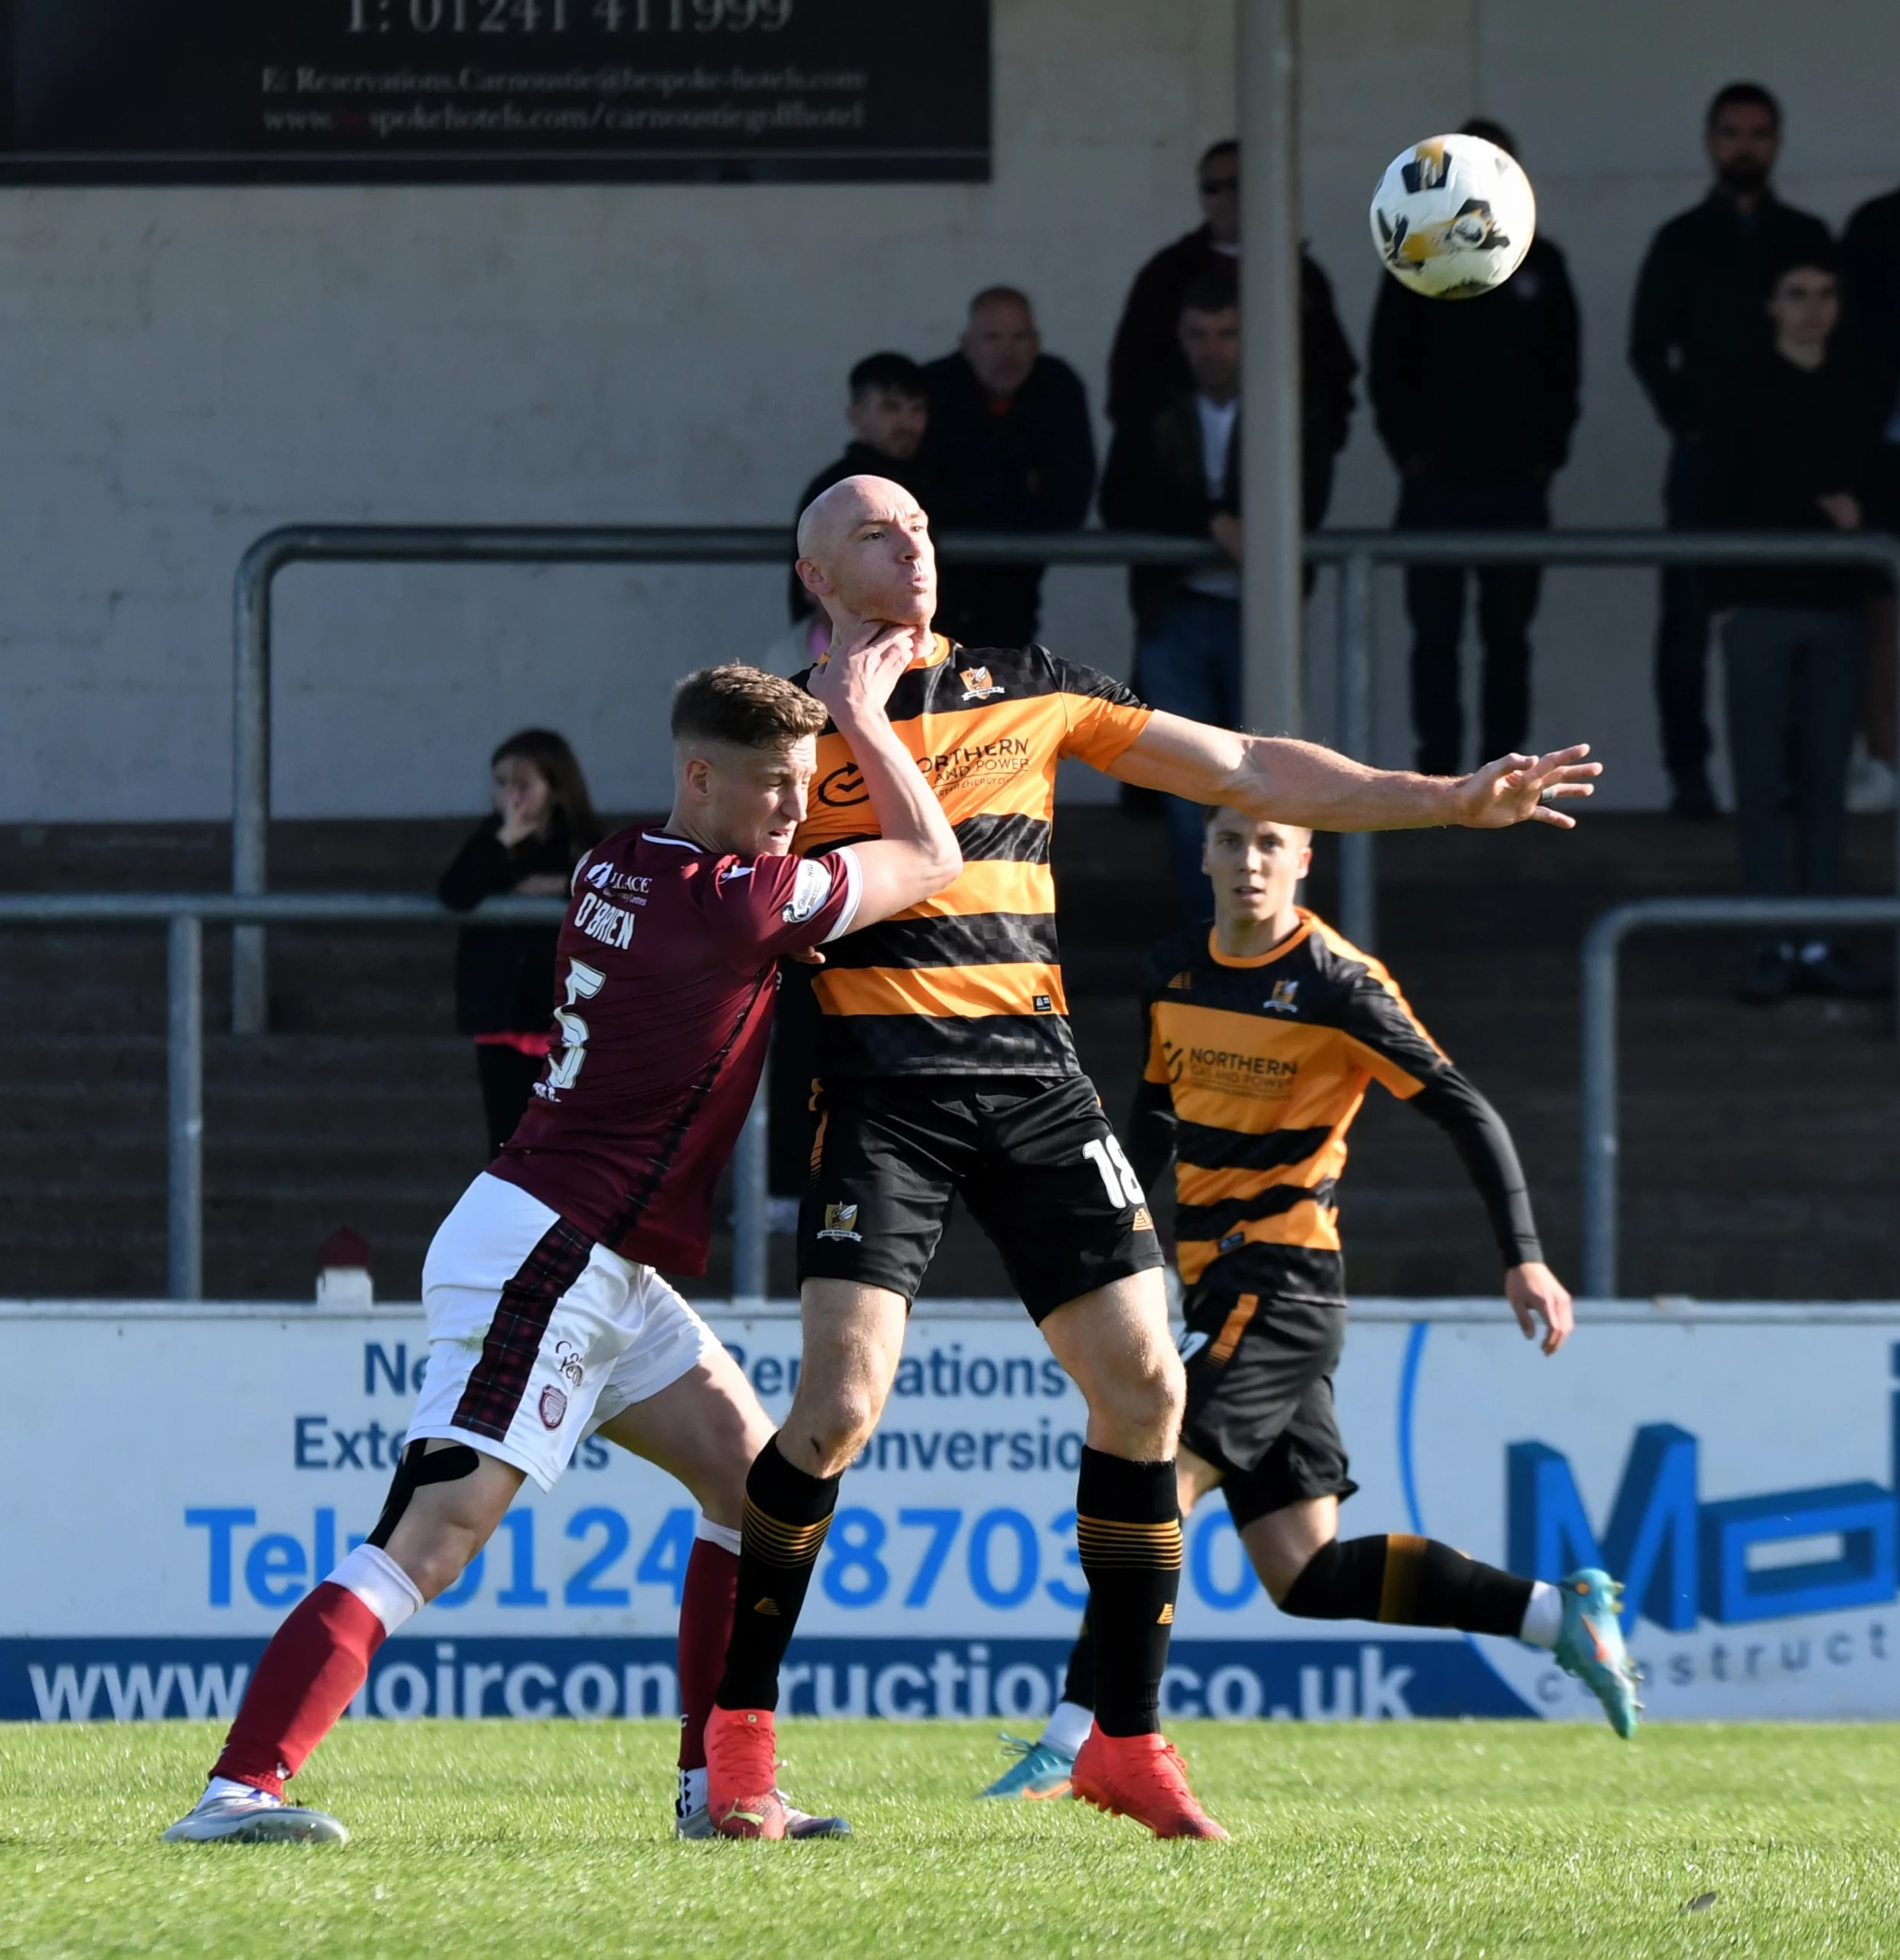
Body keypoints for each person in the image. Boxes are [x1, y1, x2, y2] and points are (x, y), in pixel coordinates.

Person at [698, 472, 1601, 1843]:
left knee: (1145, 1392)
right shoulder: (783, 729)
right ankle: (741, 1749)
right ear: (816, 575)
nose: (915, 543)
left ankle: (1123, 1738)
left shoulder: (1028, 683)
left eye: (925, 524)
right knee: (835, 1410)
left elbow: (1243, 765)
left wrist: (1444, 798)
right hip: (884, 1094)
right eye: (878, 532)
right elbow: (717, 895)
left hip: (1038, 1085)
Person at [161, 653, 962, 1847]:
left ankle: (718, 1789)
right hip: (553, 1246)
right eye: (779, 787)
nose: (798, 814)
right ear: (700, 775)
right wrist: (862, 705)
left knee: (755, 1489)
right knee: (436, 1532)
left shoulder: (616, 863)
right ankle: (239, 1788)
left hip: (594, 1249)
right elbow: (935, 857)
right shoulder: (734, 902)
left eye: (806, 788)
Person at [977, 804, 1637, 1802]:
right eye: (1232, 841)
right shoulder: (1173, 968)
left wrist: (1526, 1258)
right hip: (1213, 1279)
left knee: (1152, 1478)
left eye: (1271, 845)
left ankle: (1073, 1742)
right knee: (1305, 1572)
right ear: (1202, 852)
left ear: (1304, 861)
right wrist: (1105, 1236)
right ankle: (1560, 1615)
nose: (1250, 862)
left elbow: (1463, 1106)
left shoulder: (1339, 984)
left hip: (1282, 1281)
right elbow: (1154, 1118)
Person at [1628, 81, 1833, 818]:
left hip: (1792, 463)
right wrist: (1692, 423)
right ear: (1711, 141)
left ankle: (1788, 780)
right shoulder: (1681, 240)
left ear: (1775, 143)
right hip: (1705, 460)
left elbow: (1833, 345)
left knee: (1787, 615)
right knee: (1686, 621)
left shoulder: (1806, 237)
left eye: (1757, 133)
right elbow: (1647, 349)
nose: (1744, 146)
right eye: (1731, 133)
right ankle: (1689, 776)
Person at [1370, 120, 1581, 776]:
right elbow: (1387, 368)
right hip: (1435, 487)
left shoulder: (1541, 264)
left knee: (1507, 639)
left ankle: (1504, 774)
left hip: (1516, 487)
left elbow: (1562, 371)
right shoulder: (1415, 256)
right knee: (1434, 638)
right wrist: (1410, 454)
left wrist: (1545, 457)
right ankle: (1436, 777)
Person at [1704, 247, 1882, 1003]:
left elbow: (1878, 483)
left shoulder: (1861, 387)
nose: (1813, 307)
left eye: (1826, 294)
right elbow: (1714, 491)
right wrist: (1727, 595)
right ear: (1773, 305)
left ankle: (1817, 939)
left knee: (1823, 784)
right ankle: (1771, 942)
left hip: (1838, 607)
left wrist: (1863, 522)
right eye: (1798, 293)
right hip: (1762, 608)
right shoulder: (1741, 390)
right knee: (1760, 782)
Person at [1105, 138, 1357, 536]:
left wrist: (1320, 442)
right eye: (1213, 187)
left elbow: (1333, 369)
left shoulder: (1302, 276)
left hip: (1280, 472)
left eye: (1238, 183)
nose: (1226, 196)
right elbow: (1129, 372)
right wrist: (1148, 441)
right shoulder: (1166, 275)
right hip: (1180, 494)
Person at [1099, 268, 1246, 917]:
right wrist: (1210, 523)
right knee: (1188, 796)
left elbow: (1310, 492)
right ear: (1180, 338)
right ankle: (1207, 945)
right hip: (1173, 610)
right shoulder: (1153, 405)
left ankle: (1259, 948)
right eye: (1199, 334)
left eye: (1226, 333)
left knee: (1260, 788)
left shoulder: (1284, 400)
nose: (1212, 347)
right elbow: (1120, 500)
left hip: (1259, 614)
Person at [438, 730, 603, 1158]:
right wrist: (504, 840)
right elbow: (456, 892)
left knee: (563, 1142)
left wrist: (558, 885)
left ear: (555, 787)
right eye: (501, 782)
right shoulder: (491, 841)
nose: (511, 794)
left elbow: (611, 890)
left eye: (523, 783)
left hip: (566, 1021)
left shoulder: (582, 841)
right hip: (502, 1015)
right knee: (508, 1139)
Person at [920, 288, 1095, 648]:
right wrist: (1017, 488)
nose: (1007, 352)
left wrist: (975, 493)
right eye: (992, 338)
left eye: (1019, 337)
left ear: (1036, 342)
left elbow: (1068, 503)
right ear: (966, 344)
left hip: (1016, 596)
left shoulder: (1057, 387)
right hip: (932, 592)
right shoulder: (931, 389)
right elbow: (923, 497)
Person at [786, 352, 934, 635]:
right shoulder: (832, 493)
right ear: (855, 415)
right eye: (891, 408)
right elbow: (813, 597)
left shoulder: (937, 483)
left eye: (917, 409)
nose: (907, 422)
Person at [1840, 184, 1900, 805]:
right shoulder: (1877, 224)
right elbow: (1851, 340)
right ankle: (1882, 761)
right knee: (1882, 612)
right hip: (1887, 449)